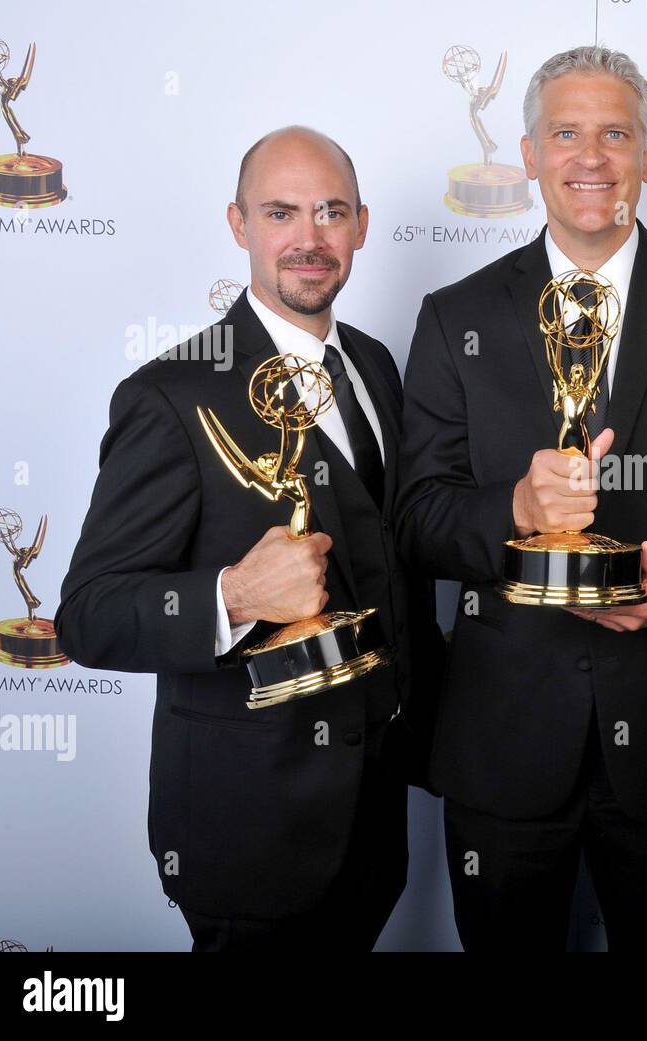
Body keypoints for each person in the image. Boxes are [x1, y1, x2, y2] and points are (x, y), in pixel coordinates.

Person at [397, 45, 647, 950]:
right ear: (530, 153)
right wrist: (513, 507)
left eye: (615, 133)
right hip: (500, 747)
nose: (592, 157)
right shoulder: (453, 317)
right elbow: (414, 518)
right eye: (567, 133)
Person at [57, 126, 443, 951]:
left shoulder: (374, 365)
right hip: (250, 829)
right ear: (239, 224)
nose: (310, 238)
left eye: (331, 212)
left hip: (374, 814)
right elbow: (86, 615)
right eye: (281, 212)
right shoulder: (168, 395)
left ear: (363, 227)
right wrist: (230, 595)